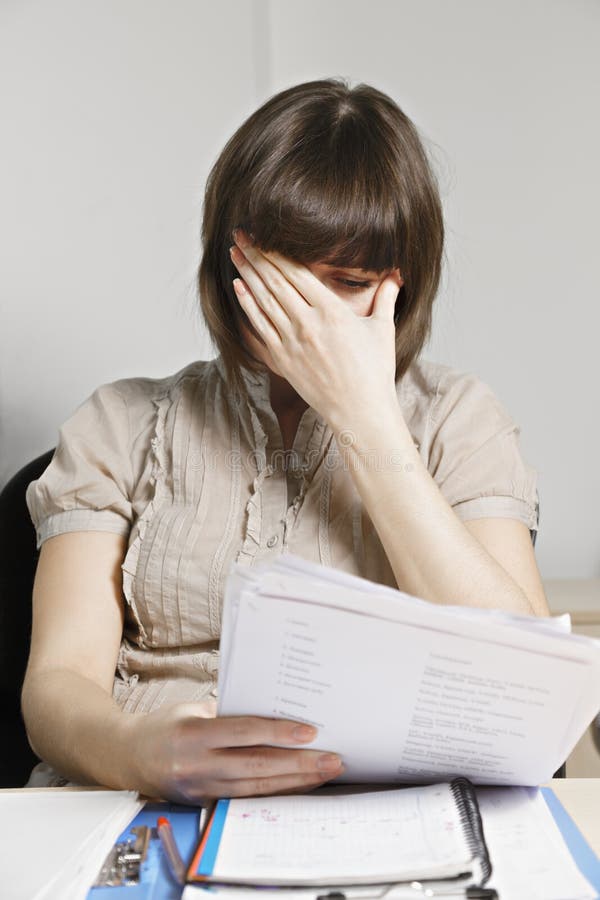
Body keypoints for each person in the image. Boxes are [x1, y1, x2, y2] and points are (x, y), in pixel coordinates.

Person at [21, 78, 549, 803]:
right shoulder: (119, 423)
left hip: (380, 811)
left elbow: (517, 681)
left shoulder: (460, 418)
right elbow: (57, 684)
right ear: (231, 262)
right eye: (281, 279)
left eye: (347, 282)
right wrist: (135, 752)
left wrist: (365, 417)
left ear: (398, 286)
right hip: (145, 801)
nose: (310, 318)